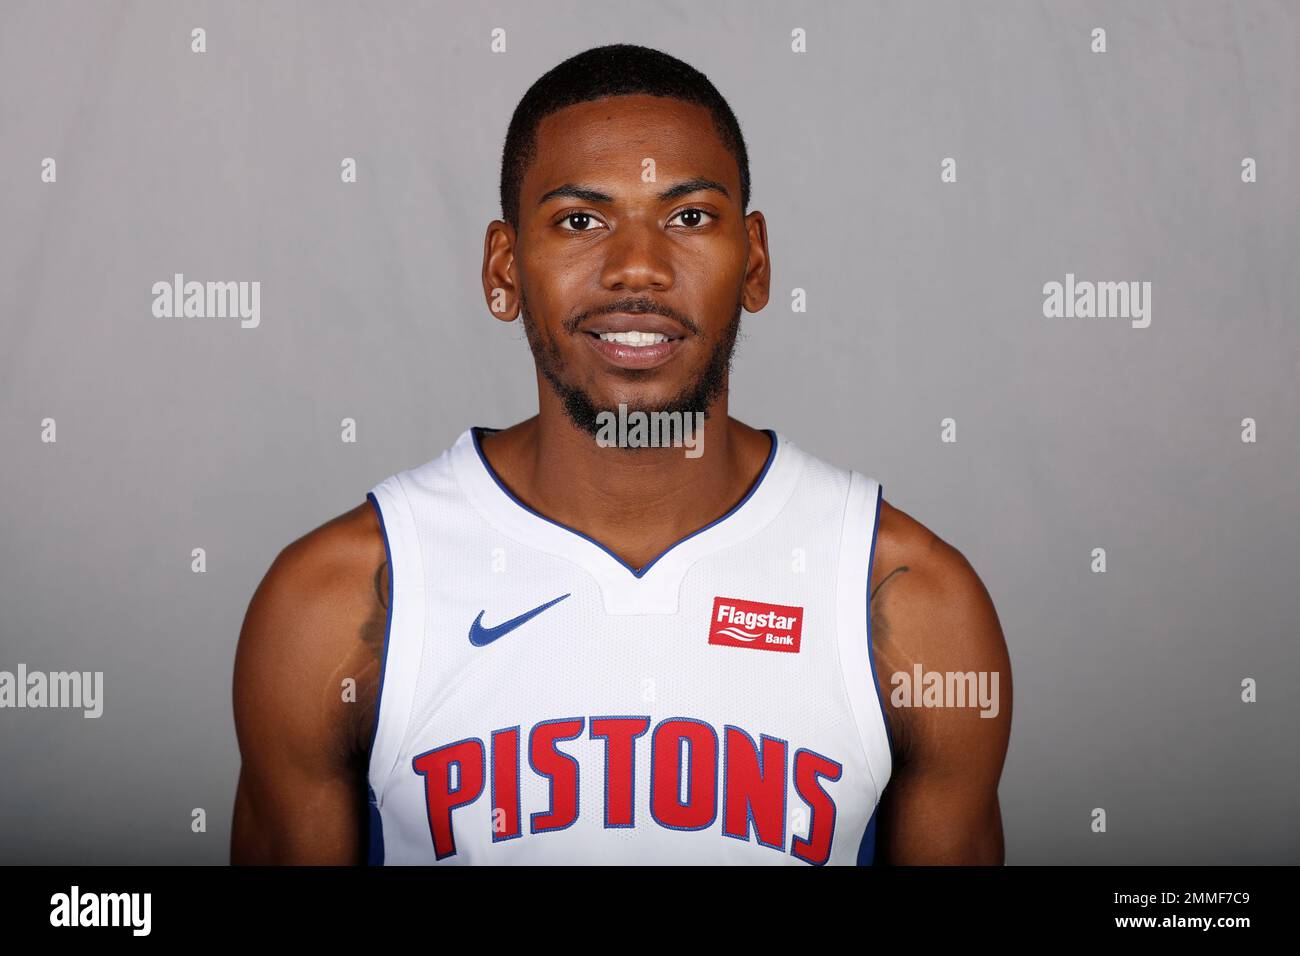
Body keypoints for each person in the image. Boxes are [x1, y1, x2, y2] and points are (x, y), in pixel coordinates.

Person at [231, 43, 1011, 865]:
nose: (638, 268)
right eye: (580, 221)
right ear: (504, 269)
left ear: (754, 262)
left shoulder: (910, 604)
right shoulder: (337, 603)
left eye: (689, 218)